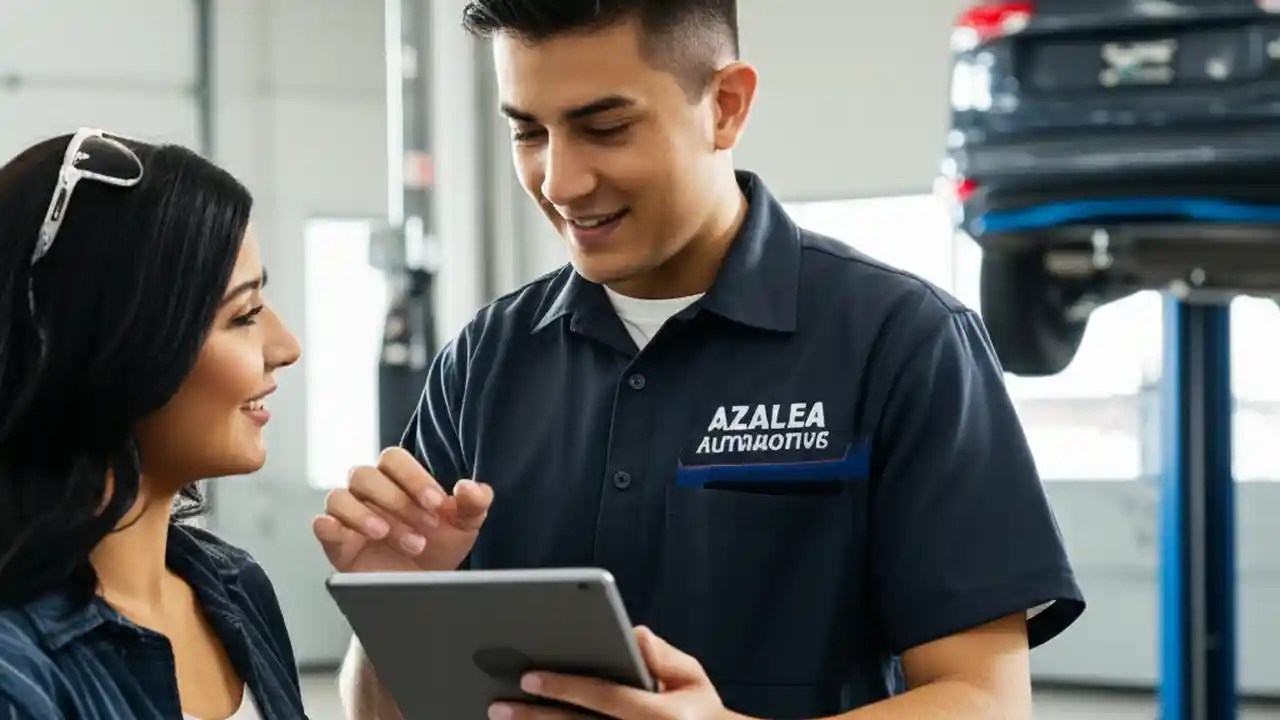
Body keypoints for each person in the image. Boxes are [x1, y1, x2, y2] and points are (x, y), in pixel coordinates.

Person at [315, 1, 1086, 717]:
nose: (560, 180)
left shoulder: (902, 340)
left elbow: (984, 701)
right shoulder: (487, 360)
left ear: (726, 106)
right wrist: (395, 601)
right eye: (528, 132)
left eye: (605, 128)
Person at [0, 129, 306, 719]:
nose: (286, 346)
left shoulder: (237, 589)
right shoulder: (16, 672)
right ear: (118, 348)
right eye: (243, 316)